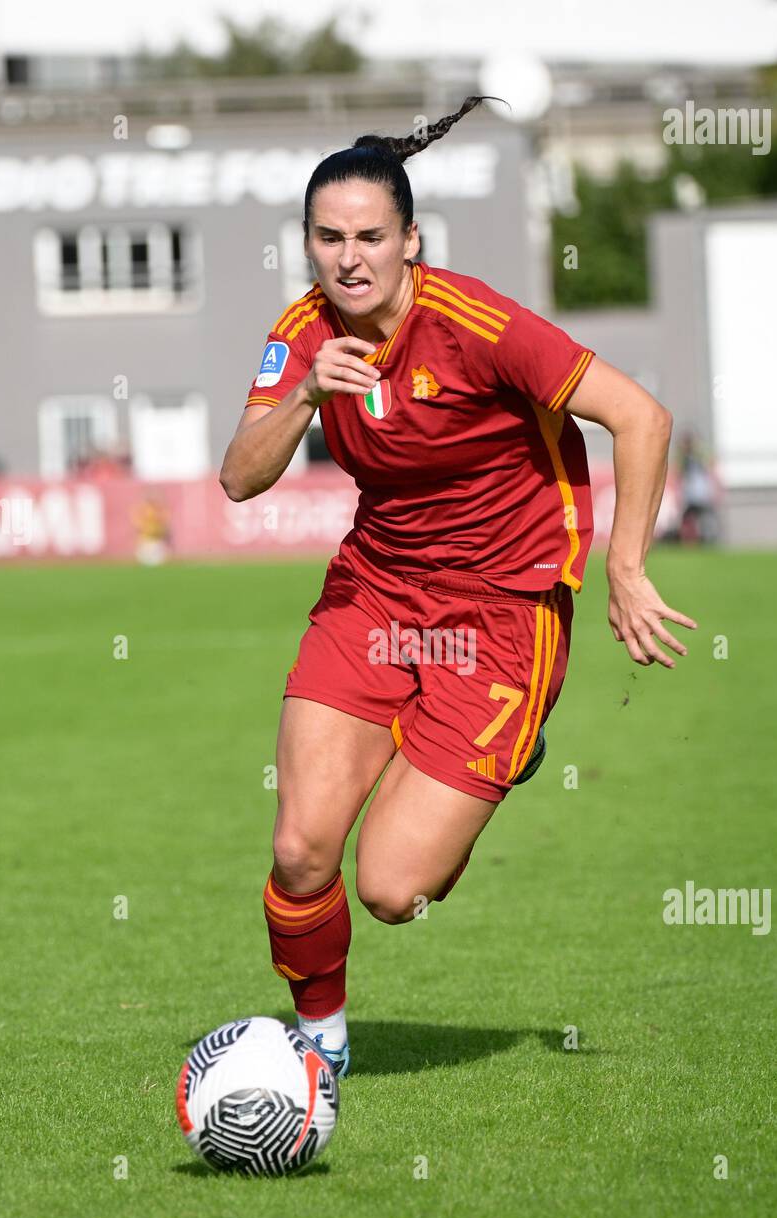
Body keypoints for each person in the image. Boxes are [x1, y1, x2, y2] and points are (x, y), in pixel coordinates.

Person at [220, 95, 696, 1077]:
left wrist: (625, 565)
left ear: (409, 241)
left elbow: (639, 416)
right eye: (328, 237)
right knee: (302, 850)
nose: (349, 258)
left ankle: (490, 754)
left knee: (391, 888)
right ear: (306, 243)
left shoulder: (475, 323)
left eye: (370, 237)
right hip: (375, 594)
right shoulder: (303, 334)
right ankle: (319, 1048)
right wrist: (307, 392)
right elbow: (239, 476)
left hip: (502, 615)